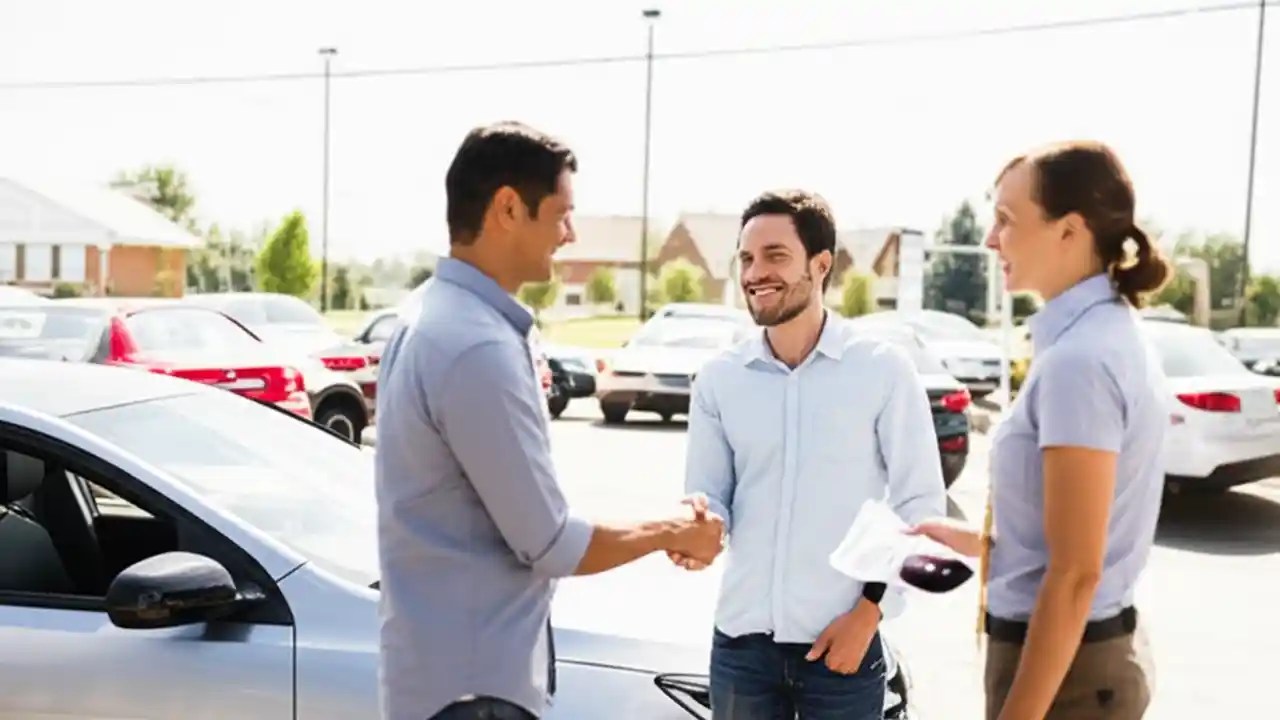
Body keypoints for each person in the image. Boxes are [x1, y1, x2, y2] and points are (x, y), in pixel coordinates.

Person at [374, 121, 726, 720]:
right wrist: (675, 527)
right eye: (561, 213)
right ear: (508, 207)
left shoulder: (428, 318)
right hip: (477, 695)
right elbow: (552, 544)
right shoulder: (474, 346)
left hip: (443, 681)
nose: (570, 233)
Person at [909, 140, 1171, 720]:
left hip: (1068, 674)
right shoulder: (1099, 338)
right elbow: (1077, 541)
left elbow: (1077, 573)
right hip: (1077, 660)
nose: (989, 239)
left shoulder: (1082, 359)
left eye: (1006, 219)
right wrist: (983, 548)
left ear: (1069, 231)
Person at [673, 189, 948, 719]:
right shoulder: (719, 380)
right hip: (741, 648)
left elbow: (920, 507)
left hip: (842, 643)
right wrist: (697, 531)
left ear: (820, 265)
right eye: (746, 258)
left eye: (776, 255)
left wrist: (871, 612)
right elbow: (710, 496)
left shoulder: (882, 370)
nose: (755, 273)